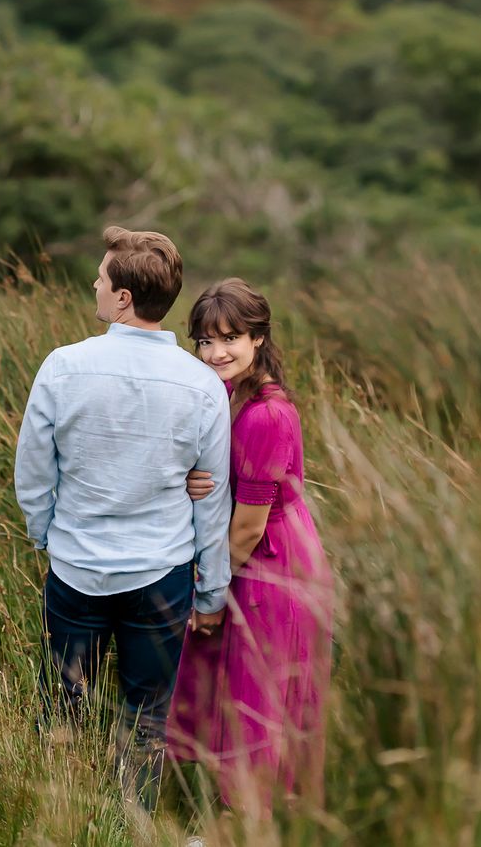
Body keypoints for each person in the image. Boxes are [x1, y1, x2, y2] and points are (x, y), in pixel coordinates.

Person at [14, 226, 232, 807]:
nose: (95, 284)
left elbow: (33, 471)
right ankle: (131, 826)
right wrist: (212, 591)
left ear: (123, 298)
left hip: (76, 570)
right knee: (145, 718)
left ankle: (56, 818)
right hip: (162, 575)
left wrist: (46, 536)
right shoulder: (203, 385)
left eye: (101, 278)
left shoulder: (63, 367)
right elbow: (211, 499)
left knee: (63, 708)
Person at [167, 278, 333, 820]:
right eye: (205, 341)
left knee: (258, 698)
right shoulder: (228, 394)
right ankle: (237, 814)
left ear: (258, 338)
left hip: (272, 562)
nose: (216, 353)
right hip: (248, 554)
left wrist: (209, 593)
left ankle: (251, 819)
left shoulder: (266, 413)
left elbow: (248, 527)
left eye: (230, 338)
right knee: (233, 689)